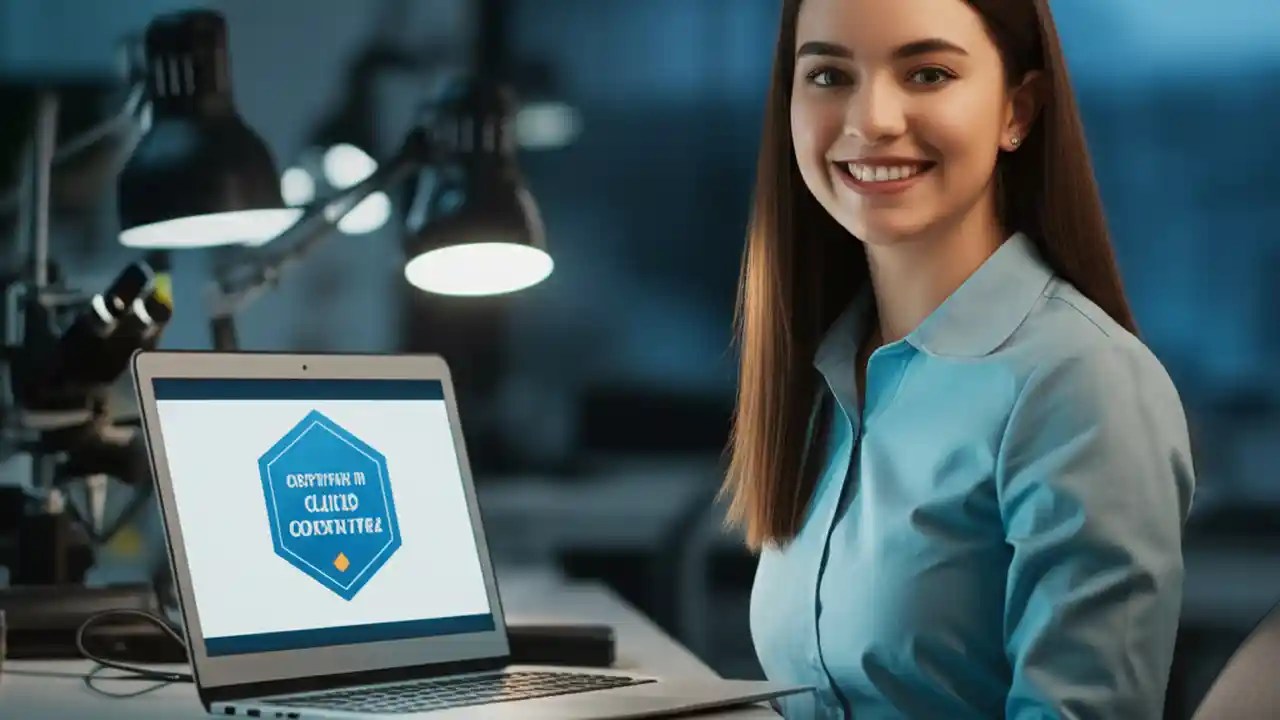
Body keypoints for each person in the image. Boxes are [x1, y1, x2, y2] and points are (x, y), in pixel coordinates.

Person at [721, 0, 1196, 717]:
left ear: (1018, 110)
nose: (872, 118)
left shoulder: (1083, 384)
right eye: (827, 75)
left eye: (928, 73)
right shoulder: (829, 369)